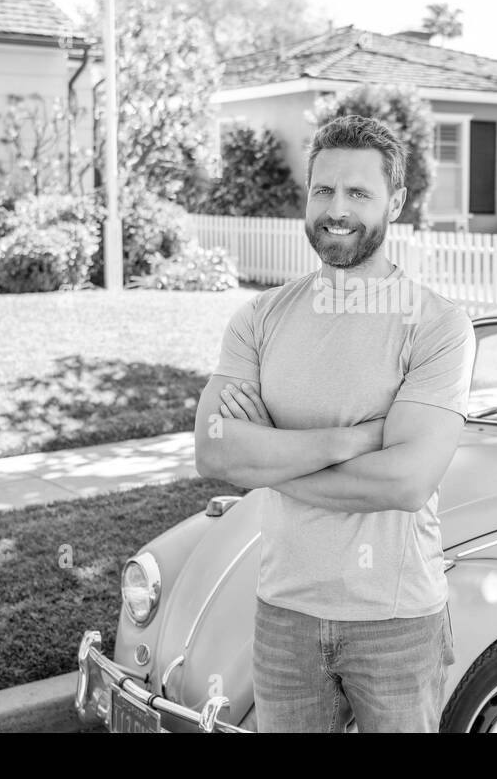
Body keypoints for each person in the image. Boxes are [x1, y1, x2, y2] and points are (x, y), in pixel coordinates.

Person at [193, 114, 476, 732]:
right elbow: (215, 453)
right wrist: (351, 440)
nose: (336, 208)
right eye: (323, 190)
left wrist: (269, 456)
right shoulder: (260, 317)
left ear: (395, 202)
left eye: (358, 193)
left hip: (396, 622)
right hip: (284, 615)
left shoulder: (437, 325)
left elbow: (403, 484)